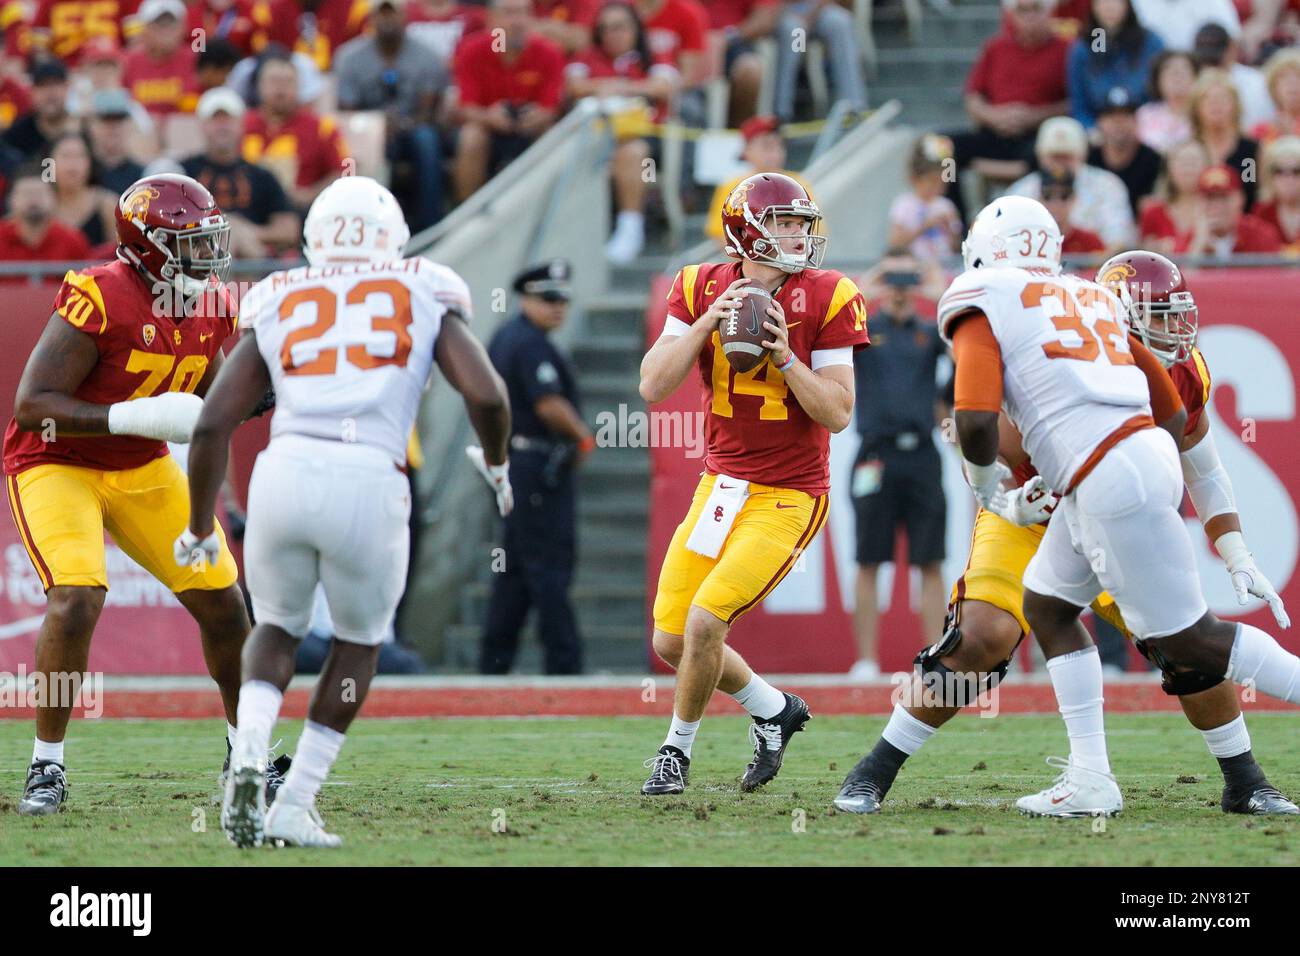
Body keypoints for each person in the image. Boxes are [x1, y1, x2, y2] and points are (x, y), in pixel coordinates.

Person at [834, 237, 1299, 818]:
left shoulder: (1184, 372)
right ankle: (876, 769)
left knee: (1184, 645)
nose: (1179, 329)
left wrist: (1236, 552)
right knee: (978, 640)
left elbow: (1203, 468)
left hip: (1105, 514)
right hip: (1032, 515)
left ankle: (1243, 779)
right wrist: (1004, 497)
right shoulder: (1045, 354)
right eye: (1161, 316)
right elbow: (977, 437)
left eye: (1179, 312)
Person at [182, 175, 511, 848]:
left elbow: (214, 420)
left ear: (313, 237)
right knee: (359, 644)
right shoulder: (424, 285)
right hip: (370, 479)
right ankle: (295, 801)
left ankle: (248, 755)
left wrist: (196, 525)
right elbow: (488, 395)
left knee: (273, 628)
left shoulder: (278, 291)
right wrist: (499, 462)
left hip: (284, 469)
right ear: (393, 235)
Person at [4, 173, 255, 816]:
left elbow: (211, 387)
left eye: (209, 242)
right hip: (59, 462)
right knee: (76, 597)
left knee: (225, 602)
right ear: (148, 247)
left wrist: (251, 396)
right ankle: (46, 767)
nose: (207, 258)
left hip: (143, 469)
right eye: (190, 244)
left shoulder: (208, 301)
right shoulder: (101, 294)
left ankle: (245, 752)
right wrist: (131, 417)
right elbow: (33, 406)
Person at [638, 172, 869, 795]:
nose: (798, 236)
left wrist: (786, 356)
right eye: (785, 224)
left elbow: (839, 413)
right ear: (747, 231)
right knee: (670, 639)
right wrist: (703, 323)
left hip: (790, 493)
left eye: (802, 225)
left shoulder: (830, 294)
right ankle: (773, 709)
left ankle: (674, 752)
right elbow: (653, 386)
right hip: (721, 487)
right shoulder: (698, 285)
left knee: (707, 622)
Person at [480, 260, 592, 676]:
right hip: (535, 469)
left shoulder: (512, 337)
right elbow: (548, 403)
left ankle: (494, 663)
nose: (558, 307)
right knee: (548, 567)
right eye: (548, 298)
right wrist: (582, 437)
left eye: (562, 299)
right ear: (525, 299)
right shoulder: (528, 344)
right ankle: (564, 666)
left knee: (517, 570)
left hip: (518, 465)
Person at [847, 251, 949, 682]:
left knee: (930, 559)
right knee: (869, 558)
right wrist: (869, 287)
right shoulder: (865, 333)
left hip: (922, 453)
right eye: (896, 279)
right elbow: (830, 334)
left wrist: (938, 293)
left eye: (907, 279)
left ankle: (935, 660)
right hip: (876, 453)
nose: (901, 288)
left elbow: (965, 336)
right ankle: (866, 659)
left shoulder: (929, 333)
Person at [565, 1, 679, 264]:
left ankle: (631, 228)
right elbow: (574, 88)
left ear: (635, 28)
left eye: (619, 27)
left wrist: (618, 88)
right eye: (605, 29)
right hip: (596, 139)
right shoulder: (588, 56)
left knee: (632, 151)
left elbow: (663, 88)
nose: (612, 34)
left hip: (646, 138)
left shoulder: (653, 55)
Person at [945, 0, 1070, 223]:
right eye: (1023, 9)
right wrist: (995, 116)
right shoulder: (995, 48)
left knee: (1049, 155)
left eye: (1036, 8)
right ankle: (959, 224)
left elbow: (1073, 102)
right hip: (995, 134)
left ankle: (1037, 222)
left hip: (1037, 138)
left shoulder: (1066, 50)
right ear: (1011, 14)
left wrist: (1033, 116)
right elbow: (973, 98)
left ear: (1050, 11)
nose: (1030, 16)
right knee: (945, 151)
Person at [334, 0, 450, 231]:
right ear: (371, 19)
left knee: (426, 139)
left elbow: (429, 109)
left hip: (415, 125)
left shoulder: (427, 55)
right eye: (381, 15)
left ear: (405, 16)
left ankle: (431, 225)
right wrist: (377, 125)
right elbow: (347, 110)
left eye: (393, 14)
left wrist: (403, 124)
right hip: (368, 127)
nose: (387, 21)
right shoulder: (349, 56)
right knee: (366, 142)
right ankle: (368, 222)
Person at [452, 0, 565, 202]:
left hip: (531, 129)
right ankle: (468, 214)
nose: (518, 21)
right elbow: (465, 107)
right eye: (509, 13)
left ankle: (546, 210)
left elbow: (552, 107)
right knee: (471, 135)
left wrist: (538, 115)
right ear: (491, 19)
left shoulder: (549, 53)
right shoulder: (472, 51)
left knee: (551, 135)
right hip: (489, 128)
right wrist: (488, 116)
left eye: (523, 13)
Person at [181, 87, 300, 257]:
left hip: (251, 255)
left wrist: (244, 230)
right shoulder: (184, 173)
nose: (222, 127)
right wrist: (225, 228)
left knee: (231, 232)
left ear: (241, 125)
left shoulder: (262, 175)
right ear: (202, 125)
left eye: (228, 120)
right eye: (215, 120)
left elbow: (289, 229)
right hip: (198, 251)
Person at [1006, 115, 1136, 247]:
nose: (1060, 165)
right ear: (1040, 156)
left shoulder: (1108, 185)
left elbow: (1119, 240)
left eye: (1067, 157)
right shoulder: (1021, 192)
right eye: (1055, 157)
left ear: (1082, 155)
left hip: (1095, 264)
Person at [240, 52, 347, 211]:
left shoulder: (322, 128)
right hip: (246, 209)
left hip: (301, 211)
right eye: (274, 81)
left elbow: (345, 172)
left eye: (288, 82)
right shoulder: (241, 124)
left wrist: (311, 194)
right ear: (259, 86)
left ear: (299, 87)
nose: (280, 88)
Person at [705, 116, 812, 247]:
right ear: (747, 150)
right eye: (766, 146)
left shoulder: (797, 184)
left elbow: (811, 230)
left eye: (779, 145)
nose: (775, 153)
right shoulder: (732, 186)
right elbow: (720, 235)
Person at [1067, 0, 1163, 129]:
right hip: (1098, 130)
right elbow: (1079, 104)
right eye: (1102, 2)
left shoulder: (1149, 43)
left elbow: (1159, 95)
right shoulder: (1086, 47)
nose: (1109, 6)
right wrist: (1092, 129)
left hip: (1147, 127)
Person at [772, 0, 867, 121]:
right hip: (783, 13)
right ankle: (783, 113)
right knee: (795, 32)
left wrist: (809, 17)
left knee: (841, 22)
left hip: (815, 10)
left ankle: (854, 106)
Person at [887, 134, 963, 262]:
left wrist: (949, 229)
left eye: (942, 182)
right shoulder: (903, 204)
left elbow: (956, 247)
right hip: (914, 267)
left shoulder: (946, 205)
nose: (937, 187)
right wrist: (924, 226)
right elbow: (895, 243)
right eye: (932, 181)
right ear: (914, 178)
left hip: (944, 266)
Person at [1088, 86, 1163, 215]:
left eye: (1125, 115)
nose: (1118, 123)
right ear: (1099, 122)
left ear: (1136, 121)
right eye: (1111, 116)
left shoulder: (1153, 160)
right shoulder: (1088, 158)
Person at [1185, 161, 1282, 256]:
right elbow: (1181, 271)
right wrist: (1198, 247)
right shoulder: (1189, 238)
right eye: (1210, 198)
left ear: (1240, 199)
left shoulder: (1260, 234)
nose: (1217, 205)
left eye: (1224, 197)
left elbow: (1274, 271)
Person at [122, 0, 201, 117]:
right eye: (159, 23)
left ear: (184, 27)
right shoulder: (127, 63)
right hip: (139, 132)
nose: (166, 30)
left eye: (172, 23)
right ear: (145, 28)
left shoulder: (197, 60)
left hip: (187, 129)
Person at [707, 0, 780, 126]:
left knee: (751, 70)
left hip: (737, 42)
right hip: (690, 41)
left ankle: (740, 131)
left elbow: (764, 18)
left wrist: (728, 37)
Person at [0, 164, 91, 264]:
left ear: (54, 198)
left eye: (40, 193)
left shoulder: (73, 241)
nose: (33, 200)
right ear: (11, 200)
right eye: (26, 193)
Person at [1192, 23, 1271, 132]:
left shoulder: (1256, 83)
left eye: (1216, 60)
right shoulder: (1191, 82)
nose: (1212, 66)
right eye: (1206, 61)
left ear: (1232, 49)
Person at [46, 133, 117, 252]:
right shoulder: (39, 204)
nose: (72, 165)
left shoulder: (107, 205)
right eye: (65, 156)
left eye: (79, 156)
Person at [1138, 137, 1209, 252]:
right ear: (1169, 169)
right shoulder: (1153, 213)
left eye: (1194, 161)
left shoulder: (1216, 211)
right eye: (1182, 162)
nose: (1188, 168)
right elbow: (1147, 258)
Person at [3, 59, 72, 160]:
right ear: (32, 92)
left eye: (56, 84)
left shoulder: (83, 131)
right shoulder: (15, 136)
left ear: (67, 88)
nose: (50, 93)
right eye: (42, 85)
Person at [1136, 50, 1198, 153]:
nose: (1177, 77)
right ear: (1158, 80)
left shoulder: (1203, 114)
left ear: (1196, 78)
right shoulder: (1144, 114)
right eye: (1169, 72)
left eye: (1183, 71)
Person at [88, 91, 146, 195]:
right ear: (93, 127)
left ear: (129, 126)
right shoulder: (83, 173)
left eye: (119, 119)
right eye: (106, 120)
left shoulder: (143, 177)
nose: (113, 127)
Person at [1130, 0, 1240, 52]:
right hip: (1149, 78)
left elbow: (1232, 42)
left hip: (1203, 74)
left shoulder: (1214, 3)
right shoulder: (1136, 3)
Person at [1251, 134, 1300, 252]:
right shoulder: (1261, 212)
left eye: (1296, 171)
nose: (1289, 179)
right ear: (1269, 175)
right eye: (1280, 171)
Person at [1041, 167, 1107, 252]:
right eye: (1048, 196)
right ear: (1040, 199)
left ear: (1074, 198)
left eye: (1064, 196)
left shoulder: (1090, 242)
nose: (1056, 203)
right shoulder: (1031, 243)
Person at [1250, 47, 1300, 143]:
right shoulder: (1260, 131)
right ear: (1273, 86)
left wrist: (1291, 137)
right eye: (1284, 77)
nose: (1292, 83)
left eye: (1298, 77)